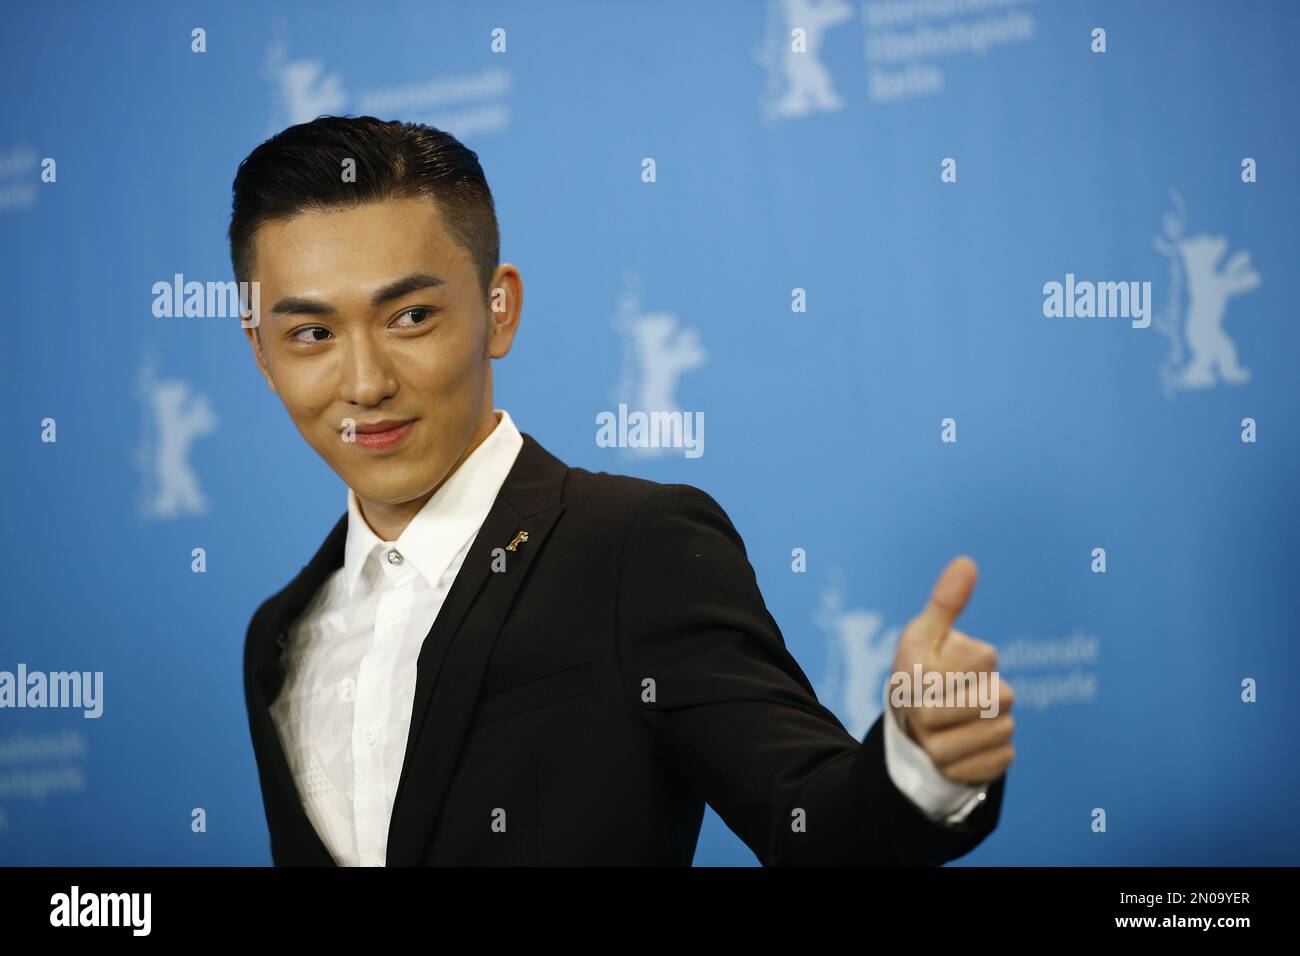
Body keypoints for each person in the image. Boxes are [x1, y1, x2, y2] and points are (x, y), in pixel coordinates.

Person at [234, 116, 1015, 865]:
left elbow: (811, 823)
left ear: (498, 310)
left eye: (409, 315)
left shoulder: (634, 548)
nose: (365, 384)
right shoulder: (279, 633)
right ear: (262, 353)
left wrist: (920, 763)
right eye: (311, 334)